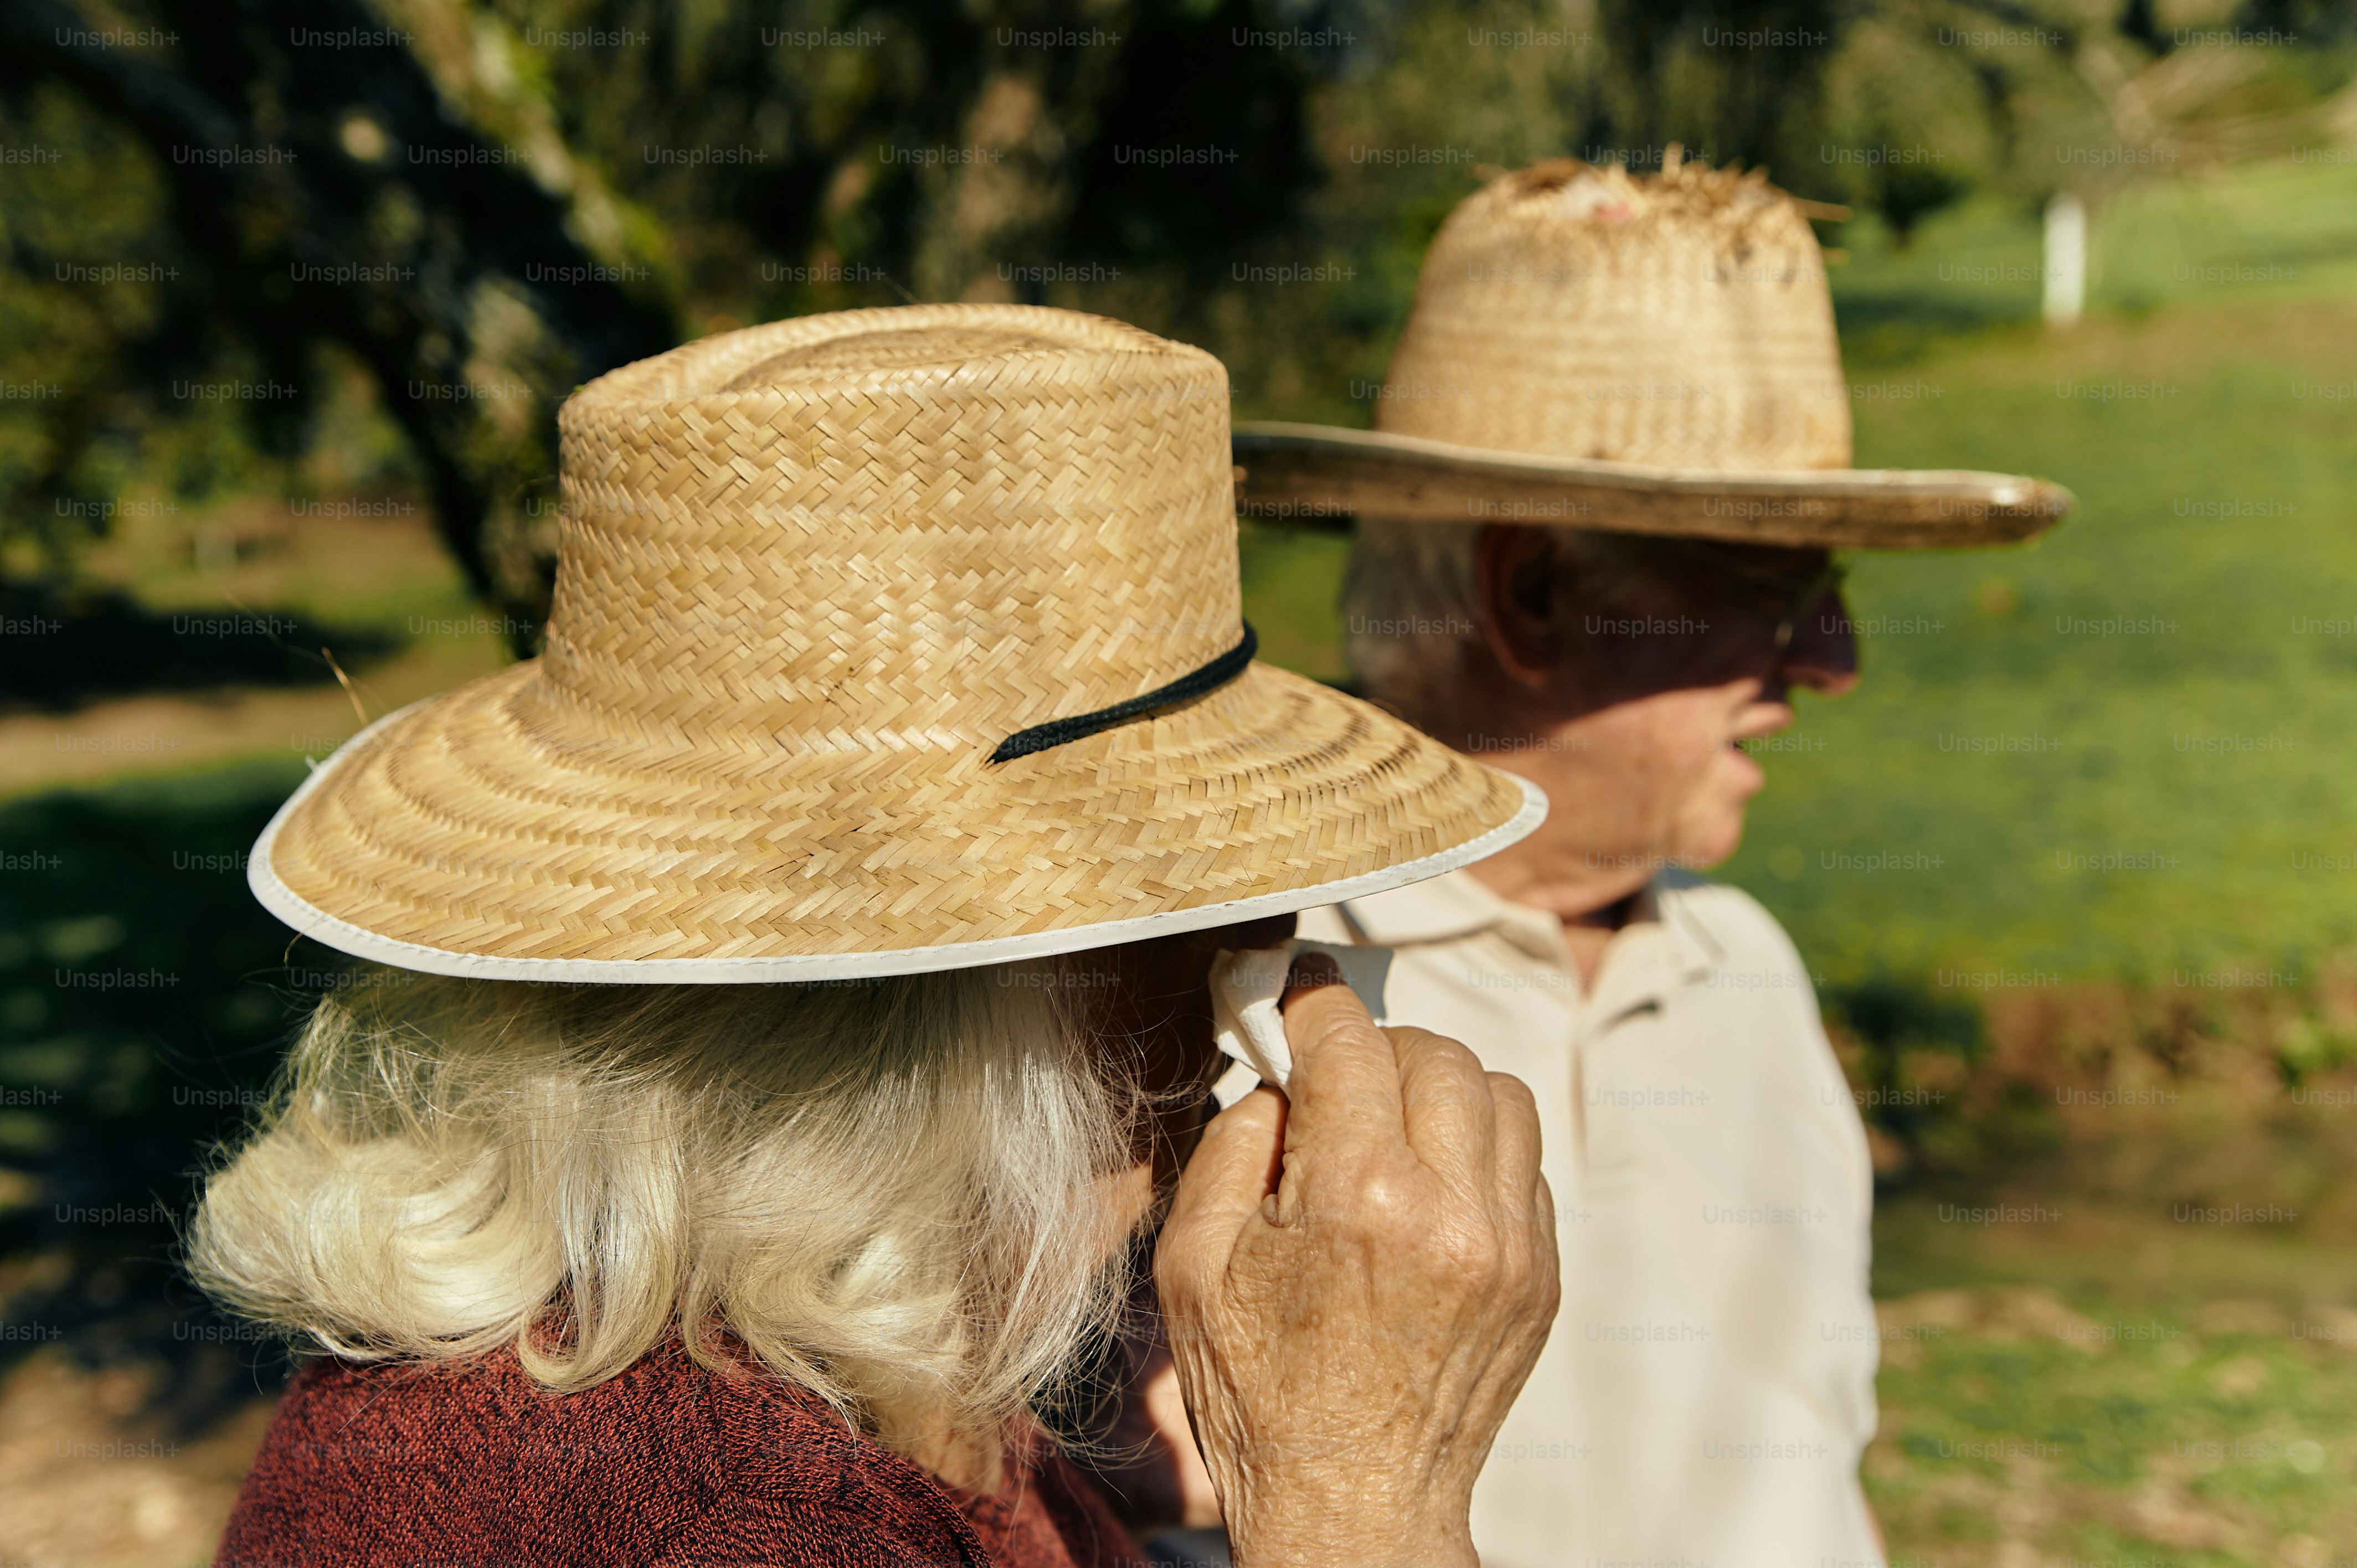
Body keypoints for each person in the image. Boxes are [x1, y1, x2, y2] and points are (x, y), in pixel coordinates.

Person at [198, 302, 1559, 1567]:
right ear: (947, 1002)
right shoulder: (735, 1523)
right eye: (1204, 888)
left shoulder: (819, 1376)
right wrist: (1360, 1492)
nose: (1281, 924)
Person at [1230, 155, 2074, 1567]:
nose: (1834, 664)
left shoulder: (1743, 967)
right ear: (1536, 592)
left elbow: (1812, 1465)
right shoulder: (1229, 993)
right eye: (1772, 591)